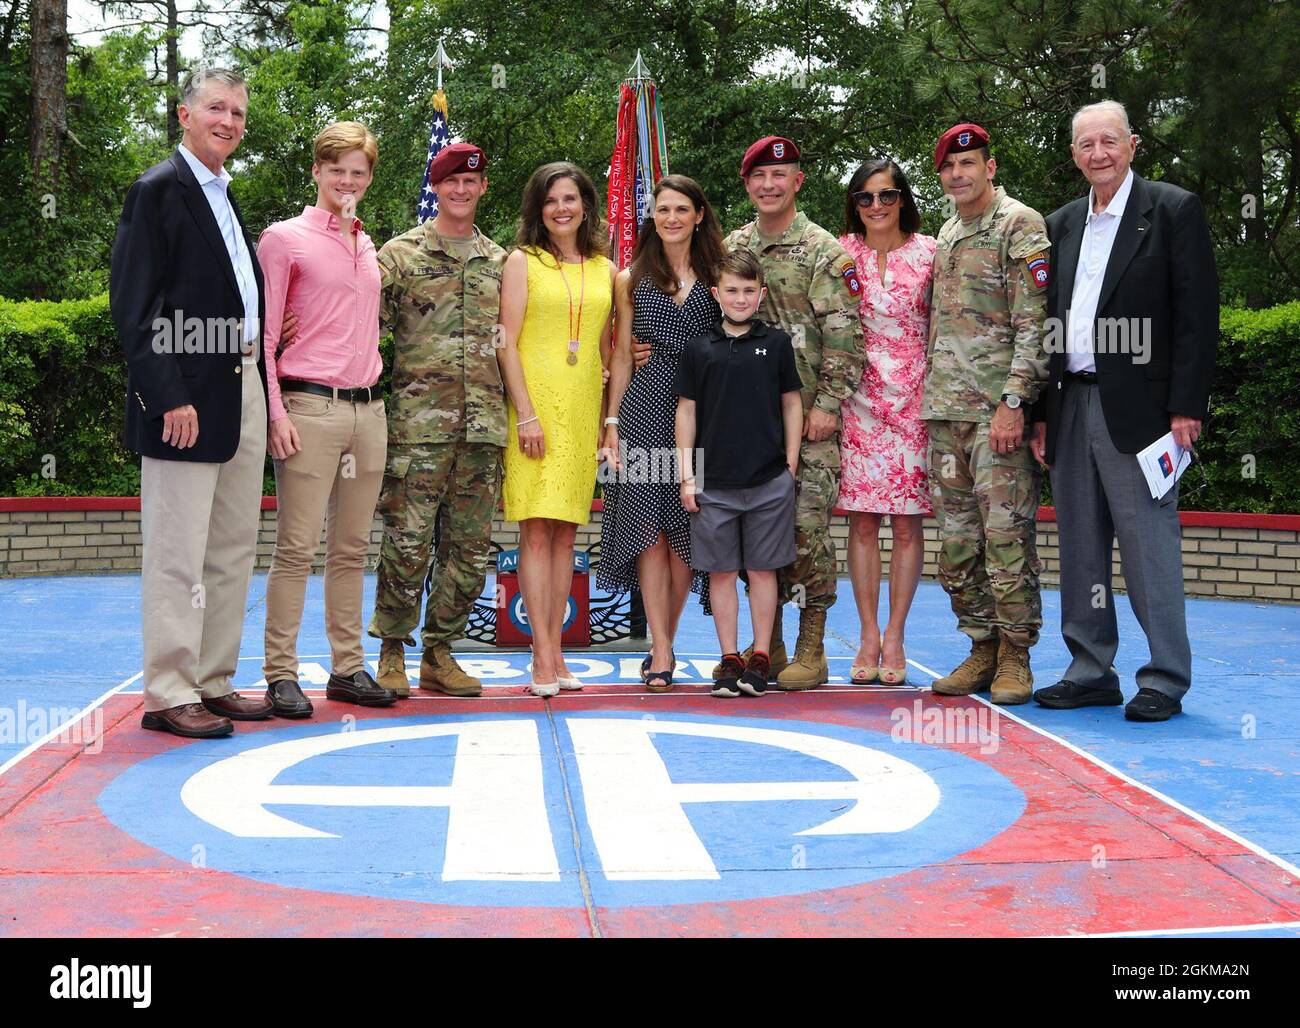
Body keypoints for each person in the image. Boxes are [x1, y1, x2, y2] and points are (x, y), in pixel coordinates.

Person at [1029, 100, 1218, 722]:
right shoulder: (1060, 225)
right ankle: (1090, 668)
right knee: (1080, 546)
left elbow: (1197, 317)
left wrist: (1186, 405)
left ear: (1132, 145)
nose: (1099, 153)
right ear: (1075, 154)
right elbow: (1044, 326)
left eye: (1109, 140)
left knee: (1147, 546)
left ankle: (1165, 675)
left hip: (1141, 412)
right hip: (1070, 403)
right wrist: (1037, 414)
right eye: (1087, 144)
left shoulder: (1171, 211)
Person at [109, 68, 273, 737]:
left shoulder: (224, 195)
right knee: (178, 552)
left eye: (237, 112)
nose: (229, 121)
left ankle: (212, 680)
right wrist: (167, 396)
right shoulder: (157, 191)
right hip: (185, 400)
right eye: (216, 108)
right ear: (184, 114)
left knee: (231, 548)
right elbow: (134, 307)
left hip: (243, 387)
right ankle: (169, 692)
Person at [716, 136, 866, 689]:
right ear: (747, 184)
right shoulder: (734, 247)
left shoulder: (826, 253)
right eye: (758, 176)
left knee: (802, 533)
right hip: (746, 427)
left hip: (810, 425)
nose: (768, 185)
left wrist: (827, 407)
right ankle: (766, 649)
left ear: (798, 182)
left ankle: (811, 645)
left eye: (780, 175)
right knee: (755, 540)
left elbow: (847, 339)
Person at [255, 121, 395, 716]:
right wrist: (274, 411)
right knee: (295, 548)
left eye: (357, 171)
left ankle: (347, 668)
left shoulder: (369, 246)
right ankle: (281, 674)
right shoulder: (283, 239)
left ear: (368, 178)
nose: (346, 180)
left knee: (352, 547)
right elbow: (263, 336)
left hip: (370, 409)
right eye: (336, 168)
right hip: (309, 407)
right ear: (316, 171)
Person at [366, 143, 508, 699]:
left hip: (483, 429)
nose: (461, 190)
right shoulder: (399, 256)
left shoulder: (500, 261)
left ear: (482, 188)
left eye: (471, 182)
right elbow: (358, 325)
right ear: (436, 186)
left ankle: (440, 653)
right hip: (417, 431)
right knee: (407, 543)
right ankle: (392, 651)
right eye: (451, 182)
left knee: (470, 551)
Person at [924, 123, 1051, 705]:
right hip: (945, 412)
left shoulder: (1019, 225)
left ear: (990, 167)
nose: (958, 174)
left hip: (995, 415)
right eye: (949, 167)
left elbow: (1034, 323)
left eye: (968, 163)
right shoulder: (947, 230)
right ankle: (981, 646)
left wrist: (1015, 402)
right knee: (956, 544)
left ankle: (1016, 655)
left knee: (1006, 539)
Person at [598, 175, 724, 692]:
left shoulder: (722, 272)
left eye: (681, 209)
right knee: (648, 532)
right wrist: (611, 424)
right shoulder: (632, 278)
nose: (670, 218)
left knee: (683, 535)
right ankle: (662, 647)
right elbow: (624, 354)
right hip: (645, 410)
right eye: (662, 209)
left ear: (698, 214)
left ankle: (665, 640)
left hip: (704, 413)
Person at [498, 162, 615, 696]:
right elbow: (506, 340)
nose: (561, 209)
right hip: (535, 411)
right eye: (550, 201)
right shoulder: (522, 262)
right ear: (537, 210)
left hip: (582, 408)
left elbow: (606, 345)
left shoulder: (606, 269)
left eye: (570, 198)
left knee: (567, 530)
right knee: (536, 529)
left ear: (585, 205)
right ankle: (540, 656)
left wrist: (606, 420)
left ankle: (558, 651)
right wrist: (525, 412)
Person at [675, 251, 803, 698]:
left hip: (768, 479)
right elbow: (686, 411)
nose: (741, 298)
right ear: (716, 294)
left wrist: (790, 463)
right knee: (722, 573)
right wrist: (686, 475)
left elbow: (791, 402)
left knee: (763, 570)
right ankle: (729, 656)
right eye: (732, 290)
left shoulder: (778, 343)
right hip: (714, 483)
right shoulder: (699, 347)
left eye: (749, 290)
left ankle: (761, 655)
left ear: (761, 294)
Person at [837, 159, 937, 685]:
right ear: (854, 204)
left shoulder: (932, 253)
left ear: (904, 199)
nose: (876, 206)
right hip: (855, 400)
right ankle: (868, 632)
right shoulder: (840, 252)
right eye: (865, 197)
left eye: (887, 195)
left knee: (906, 524)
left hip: (914, 403)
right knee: (861, 520)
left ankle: (896, 634)